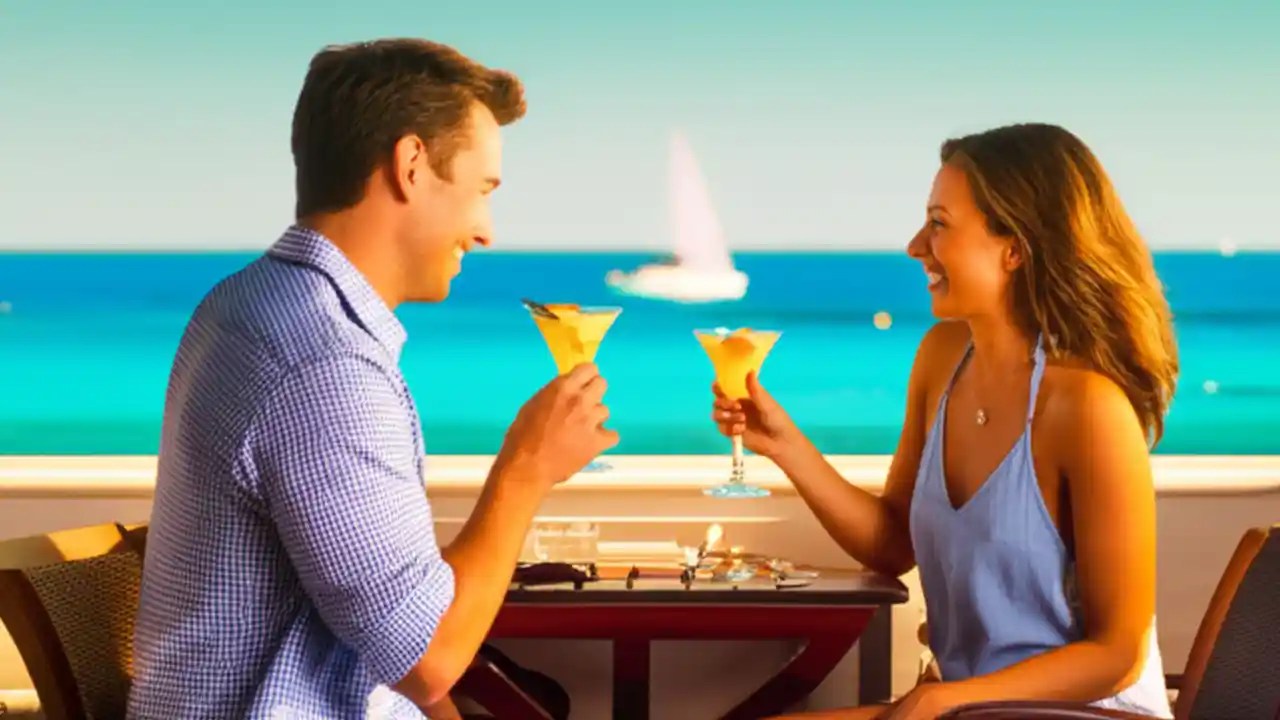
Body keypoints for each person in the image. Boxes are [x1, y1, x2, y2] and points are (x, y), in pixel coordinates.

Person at [128, 38, 617, 719]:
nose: (486, 232)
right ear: (412, 165)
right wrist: (526, 469)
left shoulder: (245, 303)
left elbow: (385, 641)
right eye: (482, 191)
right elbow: (431, 660)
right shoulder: (323, 361)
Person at [712, 123, 1178, 720]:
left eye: (939, 224)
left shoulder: (1088, 410)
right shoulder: (942, 358)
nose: (915, 246)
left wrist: (949, 697)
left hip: (1084, 714)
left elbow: (1115, 654)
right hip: (969, 709)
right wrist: (787, 447)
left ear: (1015, 248)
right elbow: (892, 544)